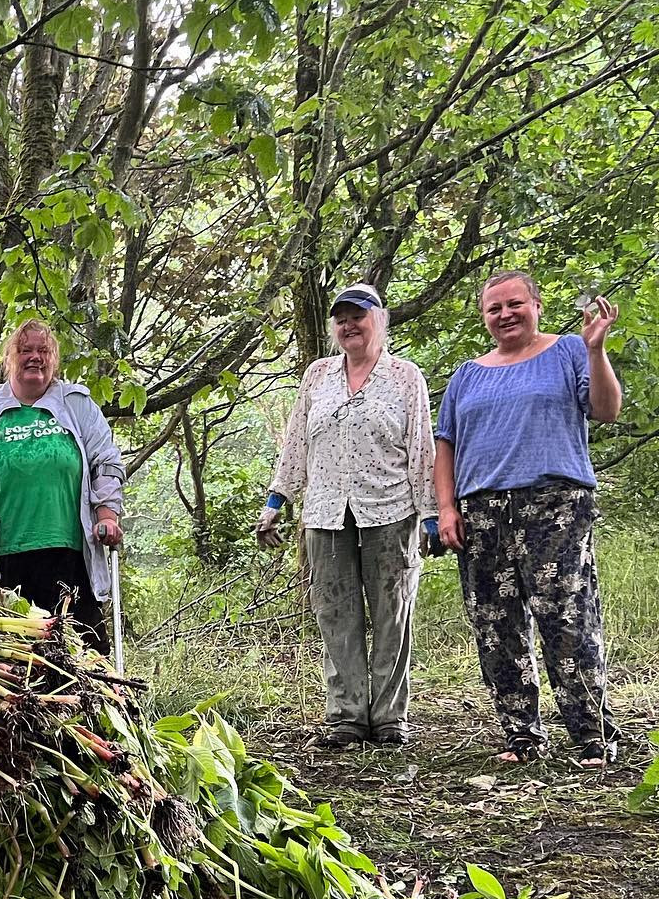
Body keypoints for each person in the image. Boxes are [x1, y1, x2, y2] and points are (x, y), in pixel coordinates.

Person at [435, 270, 622, 766]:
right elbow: (445, 445)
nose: (505, 314)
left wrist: (597, 349)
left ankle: (591, 735)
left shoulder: (569, 351)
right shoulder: (467, 374)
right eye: (494, 308)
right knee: (496, 625)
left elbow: (605, 409)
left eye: (514, 304)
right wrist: (447, 508)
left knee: (567, 620)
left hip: (554, 504)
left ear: (536, 305)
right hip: (482, 511)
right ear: (484, 317)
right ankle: (521, 736)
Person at [257, 285, 437, 749]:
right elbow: (297, 442)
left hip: (391, 510)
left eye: (358, 315)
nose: (348, 325)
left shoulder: (404, 377)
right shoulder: (318, 375)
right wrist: (276, 501)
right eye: (340, 318)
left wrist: (431, 515)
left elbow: (421, 449)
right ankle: (347, 717)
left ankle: (389, 717)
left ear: (381, 320)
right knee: (336, 615)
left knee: (391, 614)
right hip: (325, 512)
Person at [0, 318, 123, 651]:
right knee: (17, 657)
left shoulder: (76, 405)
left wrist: (106, 513)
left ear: (54, 359)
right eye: (25, 350)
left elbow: (106, 461)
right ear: (8, 358)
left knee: (85, 654)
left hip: (68, 555)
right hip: (0, 560)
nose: (35, 357)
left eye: (43, 350)